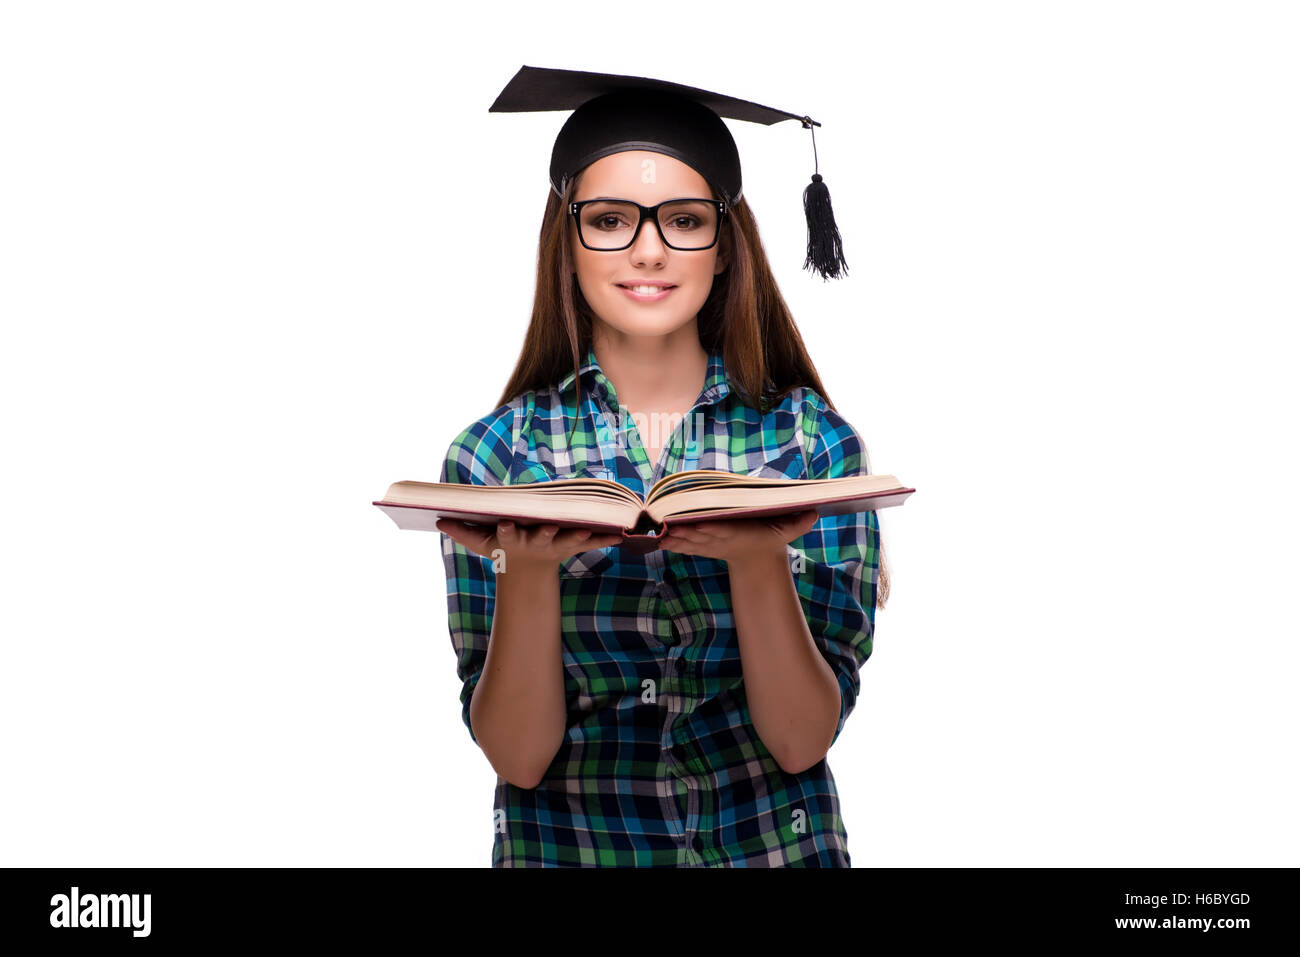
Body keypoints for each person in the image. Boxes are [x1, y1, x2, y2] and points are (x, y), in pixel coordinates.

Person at [435, 67, 891, 867]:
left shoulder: (815, 449)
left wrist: (756, 562)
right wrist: (531, 575)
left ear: (724, 247)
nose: (648, 250)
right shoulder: (496, 457)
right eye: (610, 220)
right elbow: (518, 758)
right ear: (567, 244)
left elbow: (799, 741)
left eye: (683, 220)